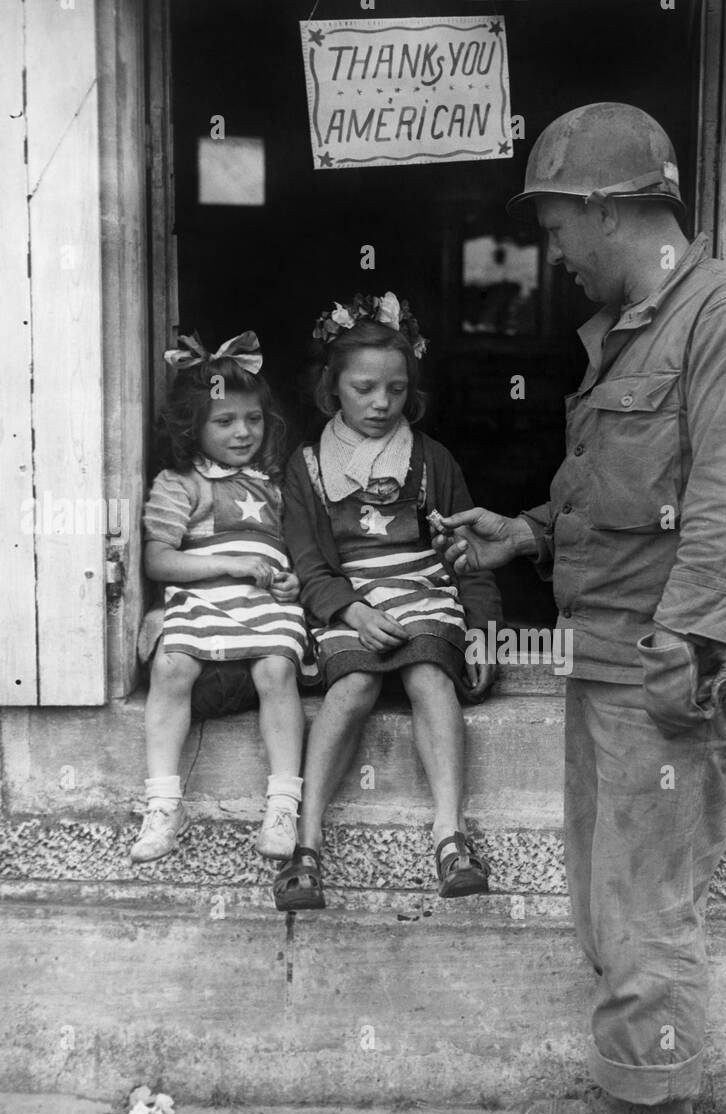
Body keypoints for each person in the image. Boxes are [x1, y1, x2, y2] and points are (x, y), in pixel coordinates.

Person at [432, 104, 726, 1114]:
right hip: (610, 651)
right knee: (606, 900)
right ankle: (625, 1091)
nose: (552, 252)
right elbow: (626, 490)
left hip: (670, 668)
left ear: (610, 209)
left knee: (646, 908)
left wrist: (685, 654)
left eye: (557, 226)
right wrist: (528, 532)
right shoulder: (629, 331)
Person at [272, 293, 502, 910]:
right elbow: (309, 562)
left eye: (396, 391)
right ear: (332, 387)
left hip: (423, 589)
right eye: (365, 388)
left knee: (430, 676)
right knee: (351, 689)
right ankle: (308, 845)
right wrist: (350, 611)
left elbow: (469, 553)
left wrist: (482, 628)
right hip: (349, 598)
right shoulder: (309, 467)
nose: (381, 404)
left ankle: (450, 837)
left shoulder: (430, 460)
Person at [131, 332, 307, 864]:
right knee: (172, 665)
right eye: (224, 421)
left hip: (264, 604)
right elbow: (158, 560)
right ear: (193, 427)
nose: (242, 432)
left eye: (252, 419)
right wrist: (228, 564)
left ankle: (283, 804)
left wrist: (293, 580)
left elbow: (300, 551)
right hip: (202, 596)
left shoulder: (277, 482)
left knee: (276, 670)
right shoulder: (180, 483)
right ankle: (163, 802)